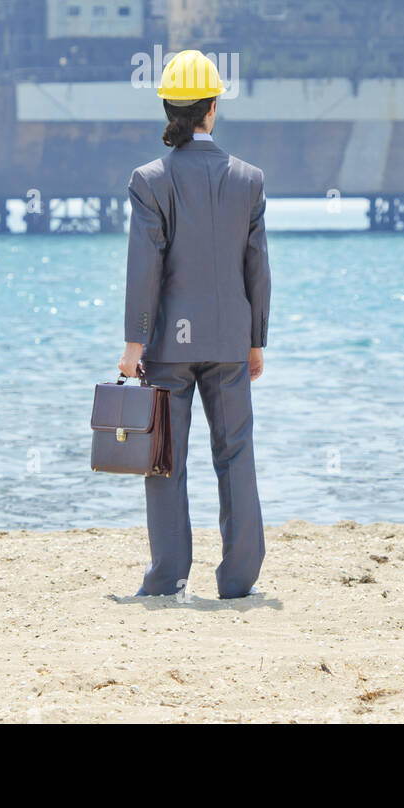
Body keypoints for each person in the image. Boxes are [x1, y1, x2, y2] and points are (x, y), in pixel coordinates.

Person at [119, 49, 271, 599]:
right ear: (212, 109)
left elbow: (145, 266)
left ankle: (168, 577)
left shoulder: (149, 180)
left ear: (169, 106)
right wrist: (256, 340)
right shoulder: (248, 179)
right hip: (231, 341)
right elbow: (257, 267)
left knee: (164, 461)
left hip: (167, 347)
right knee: (236, 454)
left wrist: (134, 343)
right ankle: (239, 578)